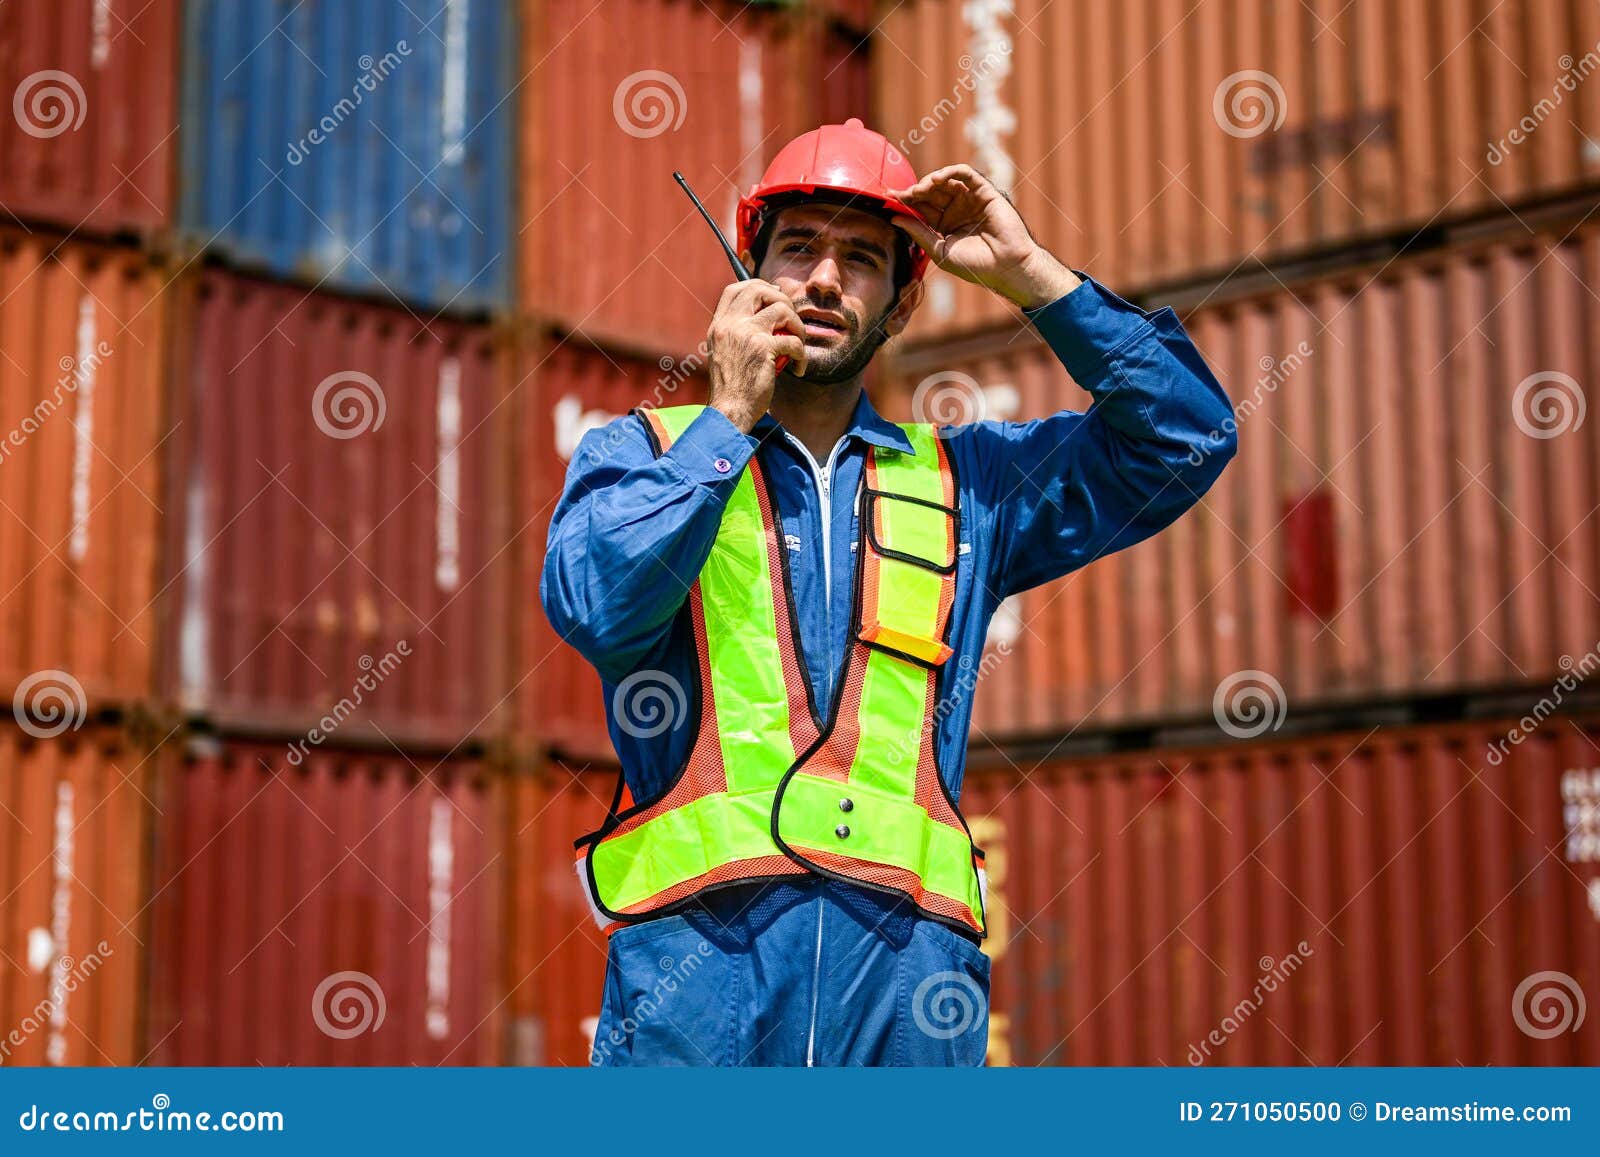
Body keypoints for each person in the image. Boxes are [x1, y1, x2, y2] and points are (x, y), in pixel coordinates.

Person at [541, 119, 1236, 1066]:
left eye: (863, 259)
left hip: (908, 1009)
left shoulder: (970, 486)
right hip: (696, 1006)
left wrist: (1032, 277)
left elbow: (1186, 437)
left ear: (902, 304)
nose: (825, 280)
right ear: (748, 272)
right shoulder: (646, 455)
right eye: (799, 248)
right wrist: (728, 418)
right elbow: (597, 607)